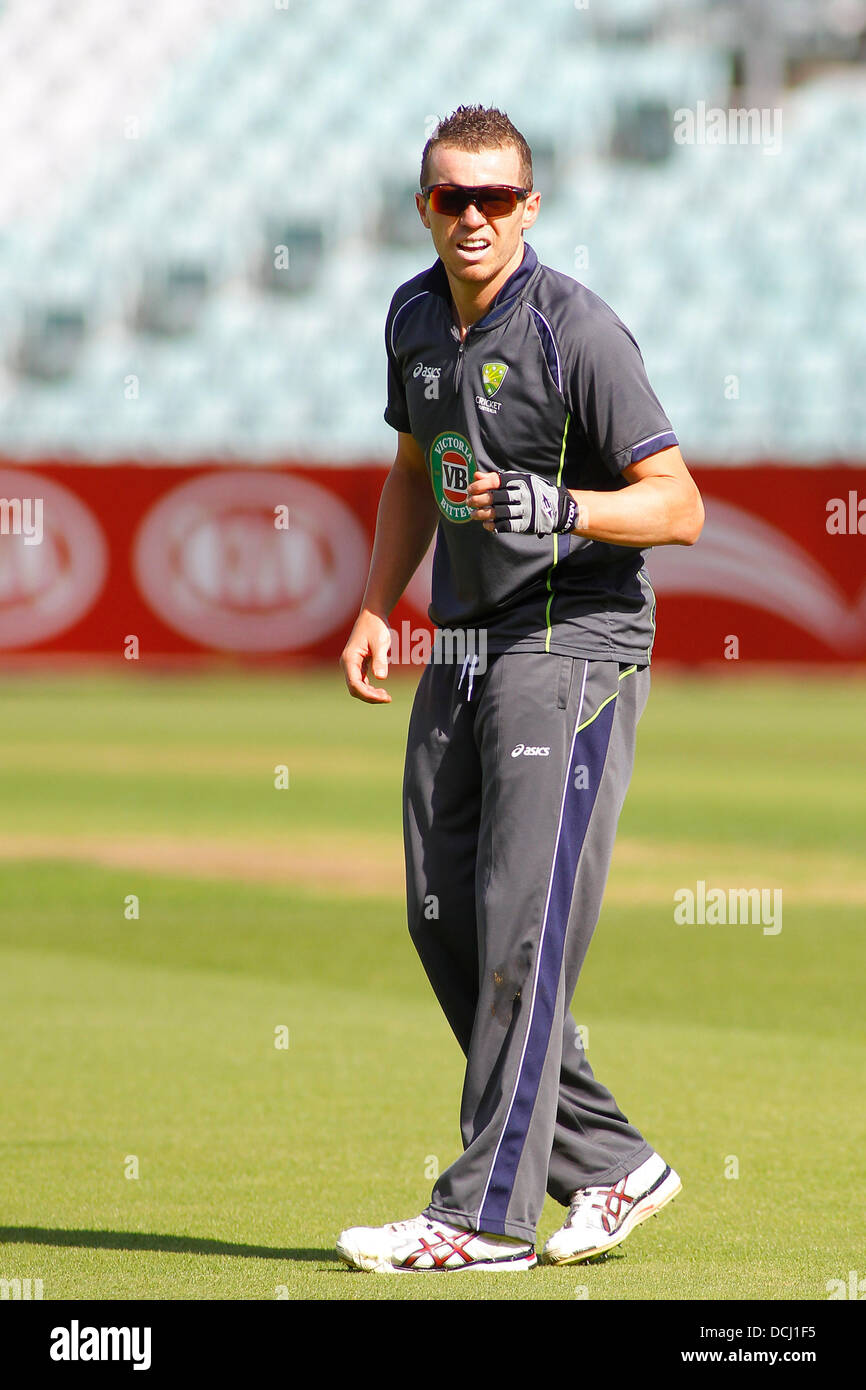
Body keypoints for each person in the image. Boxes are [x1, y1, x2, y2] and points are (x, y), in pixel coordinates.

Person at [337, 105, 704, 1273]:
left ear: (530, 207)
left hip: (573, 639)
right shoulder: (407, 315)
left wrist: (567, 509)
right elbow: (410, 468)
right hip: (459, 639)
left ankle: (484, 1214)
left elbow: (678, 506)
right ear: (424, 207)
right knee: (439, 913)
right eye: (454, 196)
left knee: (516, 925)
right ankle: (606, 1163)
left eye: (496, 197)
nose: (475, 216)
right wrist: (373, 603)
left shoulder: (574, 330)